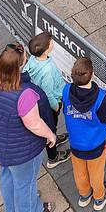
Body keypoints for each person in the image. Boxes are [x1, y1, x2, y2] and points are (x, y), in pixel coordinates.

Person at [0, 42, 56, 212]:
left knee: (6, 175)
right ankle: (34, 211)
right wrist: (50, 134)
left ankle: (11, 210)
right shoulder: (25, 94)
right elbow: (35, 124)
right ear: (21, 64)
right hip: (20, 151)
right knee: (25, 185)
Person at [61, 55, 106, 211]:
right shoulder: (100, 97)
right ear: (92, 75)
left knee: (80, 172)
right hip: (95, 145)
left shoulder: (66, 90)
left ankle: (84, 195)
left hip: (76, 143)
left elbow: (65, 109)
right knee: (96, 173)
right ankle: (99, 197)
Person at [22, 32, 68, 168]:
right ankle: (53, 157)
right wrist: (56, 106)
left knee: (50, 126)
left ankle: (52, 135)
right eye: (51, 42)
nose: (52, 42)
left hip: (40, 101)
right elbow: (48, 92)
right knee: (50, 126)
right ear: (46, 49)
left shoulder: (33, 60)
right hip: (50, 104)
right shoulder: (47, 70)